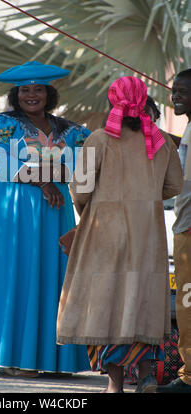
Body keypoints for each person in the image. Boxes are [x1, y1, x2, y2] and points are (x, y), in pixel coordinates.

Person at [0, 61, 90, 376]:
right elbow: (1, 167)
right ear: (16, 94)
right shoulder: (0, 124)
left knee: (49, 277)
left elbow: (85, 169)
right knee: (10, 274)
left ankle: (45, 359)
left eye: (38, 89)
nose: (32, 95)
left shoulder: (70, 130)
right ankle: (11, 356)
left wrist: (48, 176)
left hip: (52, 213)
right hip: (9, 212)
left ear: (49, 93)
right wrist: (46, 180)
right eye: (25, 90)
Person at [56, 76, 183, 392]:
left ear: (114, 102)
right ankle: (146, 374)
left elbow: (81, 188)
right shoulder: (162, 141)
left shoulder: (100, 139)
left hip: (105, 232)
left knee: (105, 304)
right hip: (148, 236)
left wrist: (89, 211)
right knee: (142, 300)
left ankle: (115, 384)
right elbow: (175, 186)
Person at [157, 68, 191, 393]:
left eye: (182, 92)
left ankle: (189, 377)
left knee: (188, 303)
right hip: (182, 225)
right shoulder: (188, 128)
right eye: (173, 92)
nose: (175, 98)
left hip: (189, 229)